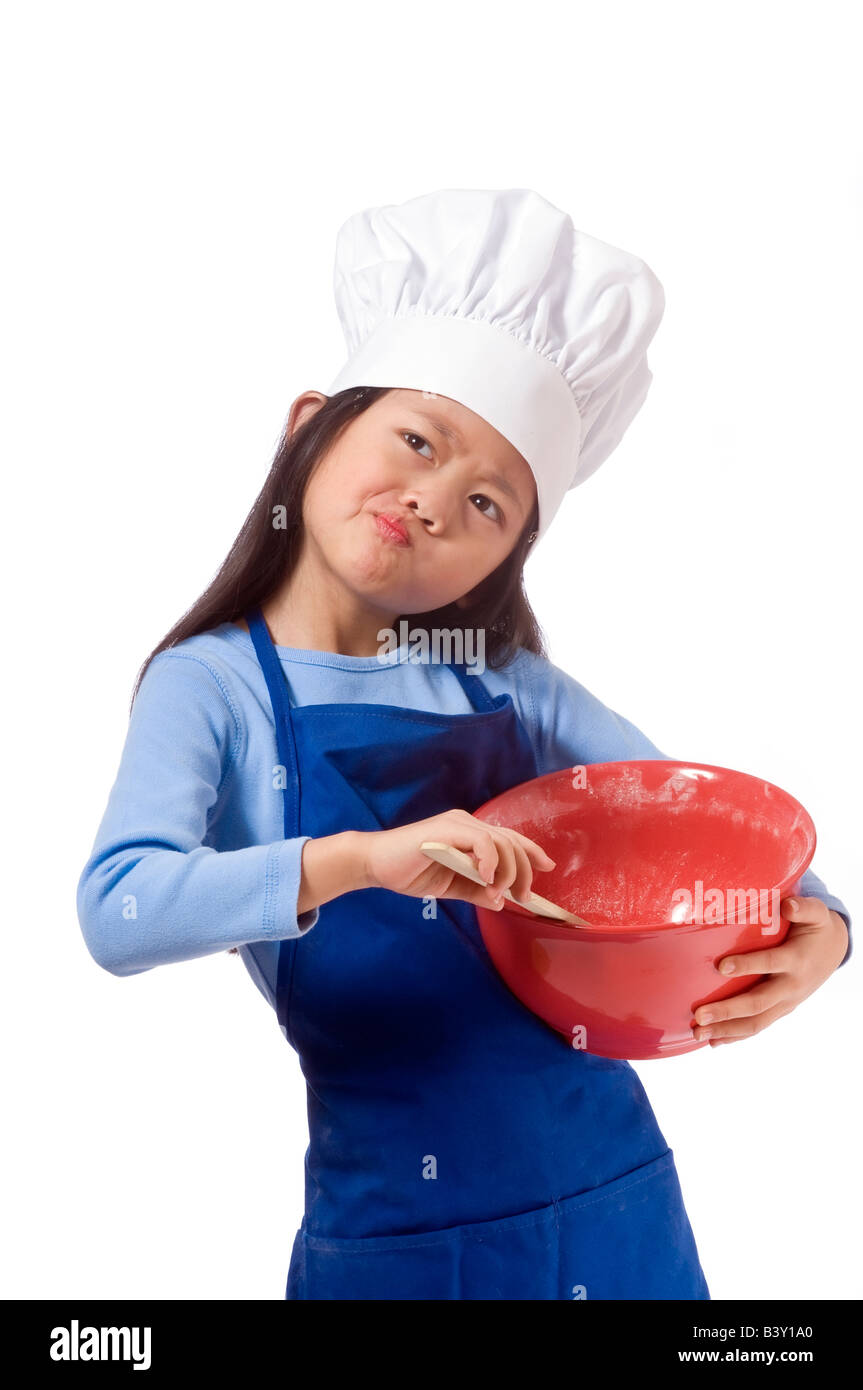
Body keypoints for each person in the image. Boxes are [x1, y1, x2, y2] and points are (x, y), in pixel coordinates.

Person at [76, 189, 852, 1301]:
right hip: (401, 1242)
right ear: (308, 428)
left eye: (486, 500)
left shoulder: (506, 688)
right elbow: (120, 907)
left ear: (503, 558)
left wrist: (824, 924)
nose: (432, 498)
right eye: (414, 439)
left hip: (618, 1207)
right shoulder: (212, 687)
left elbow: (702, 818)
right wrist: (361, 858)